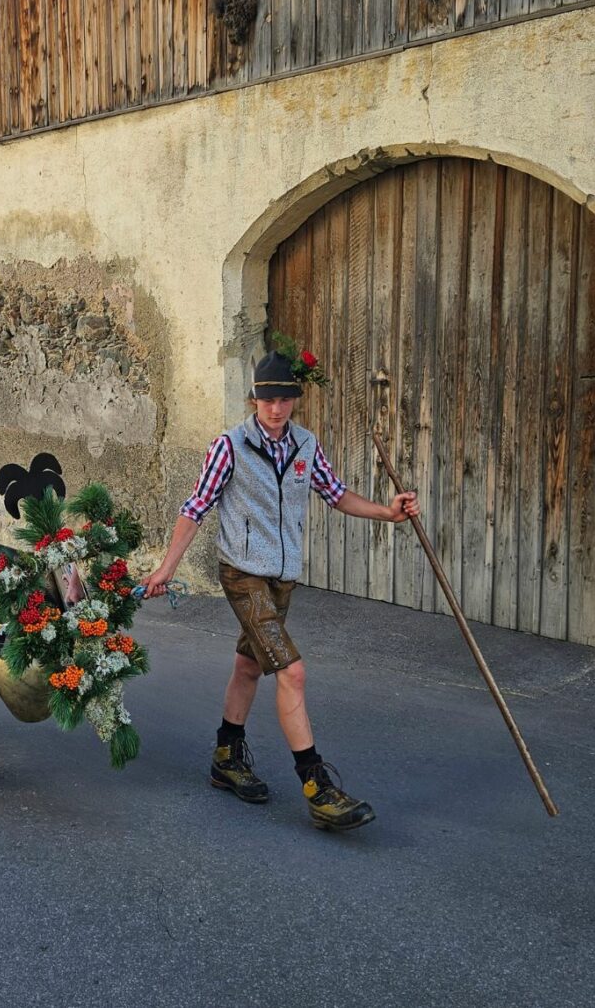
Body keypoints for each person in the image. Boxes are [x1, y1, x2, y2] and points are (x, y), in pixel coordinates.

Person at [142, 349, 420, 832]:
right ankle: (318, 787)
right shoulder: (229, 446)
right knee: (292, 673)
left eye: (285, 398)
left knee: (249, 665)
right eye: (267, 399)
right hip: (243, 575)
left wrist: (388, 512)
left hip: (282, 579)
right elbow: (195, 508)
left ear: (295, 399)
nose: (276, 408)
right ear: (254, 399)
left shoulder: (305, 446)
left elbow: (336, 494)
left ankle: (226, 759)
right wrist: (166, 567)